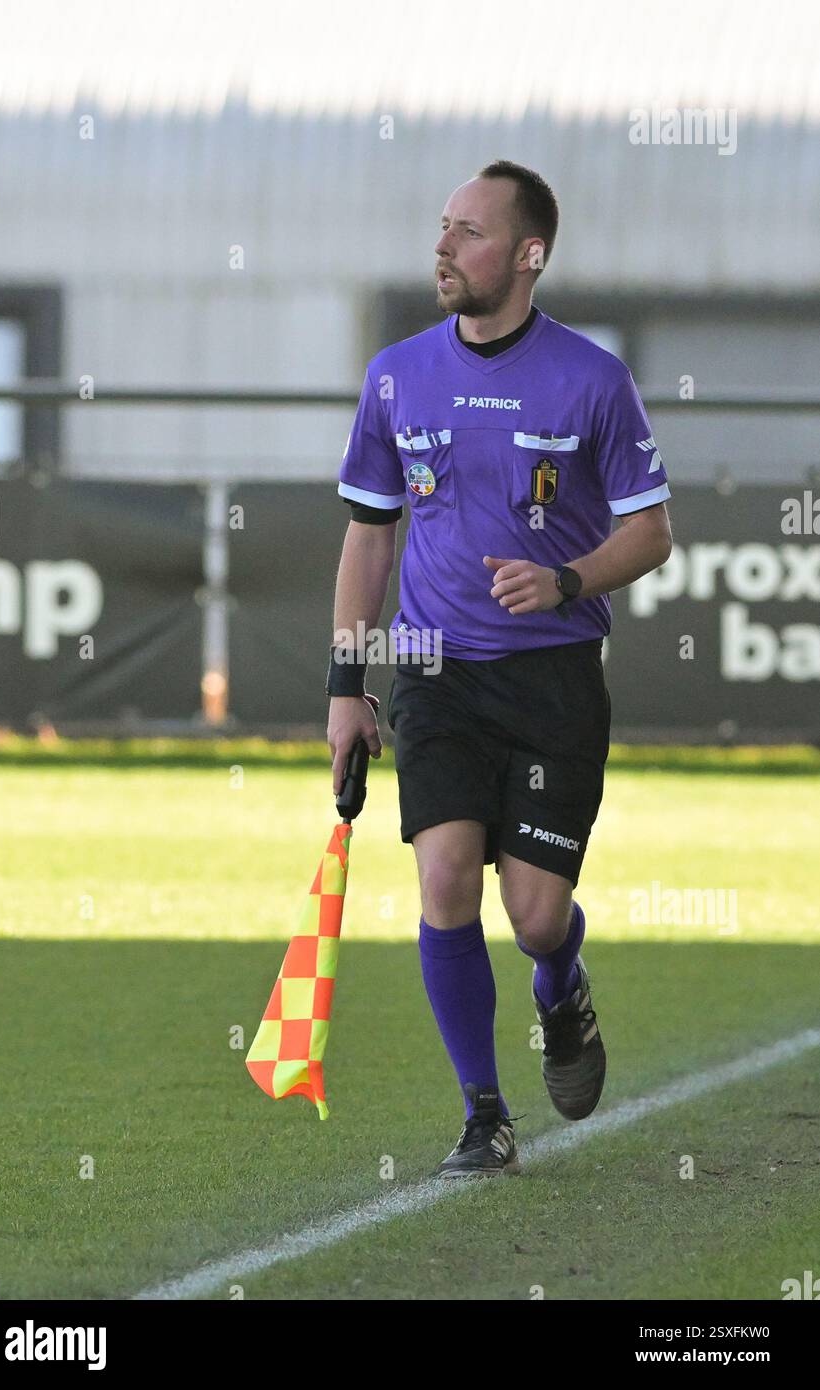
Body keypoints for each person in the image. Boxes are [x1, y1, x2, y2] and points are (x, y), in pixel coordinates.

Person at [326, 159, 672, 1177]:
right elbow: (367, 542)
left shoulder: (592, 379)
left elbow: (650, 532)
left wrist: (565, 581)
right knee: (442, 879)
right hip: (432, 669)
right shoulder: (395, 376)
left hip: (555, 675)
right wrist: (348, 688)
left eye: (468, 232)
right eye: (441, 227)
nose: (442, 247)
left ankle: (559, 981)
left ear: (528, 255)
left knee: (532, 915)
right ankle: (484, 1113)